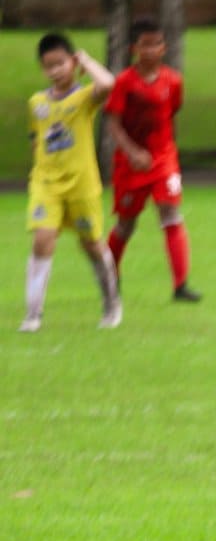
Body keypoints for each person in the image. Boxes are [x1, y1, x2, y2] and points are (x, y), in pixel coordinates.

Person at [22, 33, 120, 333]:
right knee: (42, 239)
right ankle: (32, 315)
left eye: (61, 63)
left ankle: (111, 302)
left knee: (90, 243)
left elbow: (107, 84)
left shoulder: (82, 98)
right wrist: (39, 170)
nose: (55, 71)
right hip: (46, 184)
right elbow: (36, 139)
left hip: (81, 184)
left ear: (71, 62)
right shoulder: (37, 103)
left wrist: (87, 62)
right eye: (48, 66)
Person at [105, 18, 201, 304]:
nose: (151, 50)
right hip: (130, 163)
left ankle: (181, 285)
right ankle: (110, 277)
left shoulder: (173, 80)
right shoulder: (124, 82)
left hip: (163, 159)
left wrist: (163, 151)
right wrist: (132, 152)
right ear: (134, 48)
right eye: (145, 44)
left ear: (164, 47)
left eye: (156, 44)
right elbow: (113, 122)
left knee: (170, 212)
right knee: (126, 224)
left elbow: (172, 113)